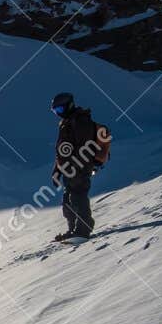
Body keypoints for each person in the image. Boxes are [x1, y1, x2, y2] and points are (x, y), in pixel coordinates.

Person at [50, 91, 110, 240]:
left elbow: (85, 147)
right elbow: (62, 151)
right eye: (55, 111)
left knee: (77, 197)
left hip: (80, 168)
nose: (58, 114)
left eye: (60, 110)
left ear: (69, 105)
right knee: (68, 201)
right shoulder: (66, 123)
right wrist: (57, 170)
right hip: (69, 170)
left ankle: (83, 230)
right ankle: (73, 230)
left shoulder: (80, 121)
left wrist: (77, 167)